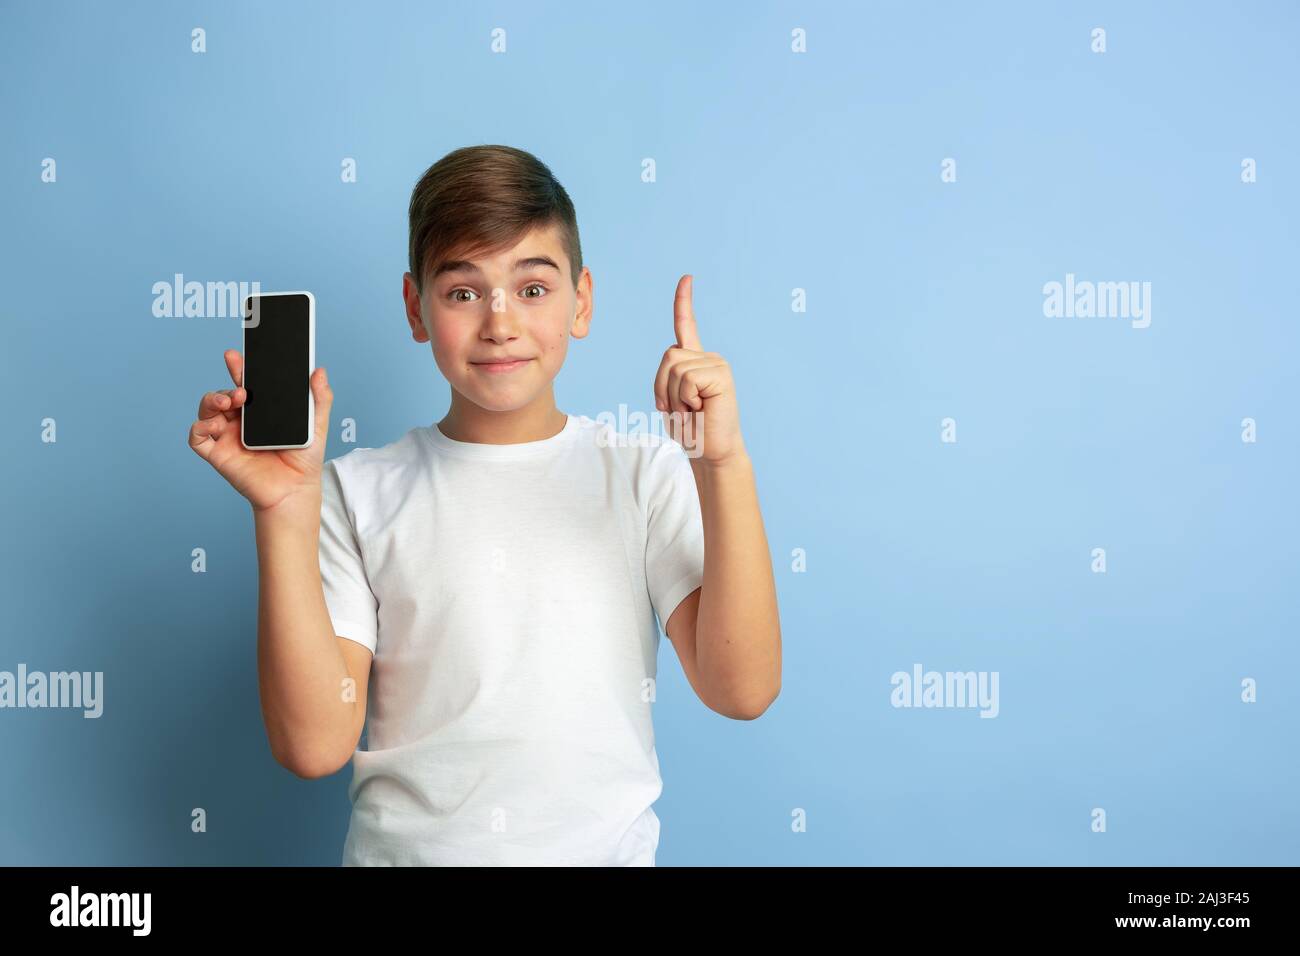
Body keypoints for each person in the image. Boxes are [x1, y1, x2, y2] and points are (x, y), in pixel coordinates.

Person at [188, 144, 782, 865]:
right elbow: (313, 746)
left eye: (532, 289)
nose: (500, 323)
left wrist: (723, 463)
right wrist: (283, 512)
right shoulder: (354, 491)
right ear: (416, 308)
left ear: (581, 301)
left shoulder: (641, 474)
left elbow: (743, 688)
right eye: (463, 292)